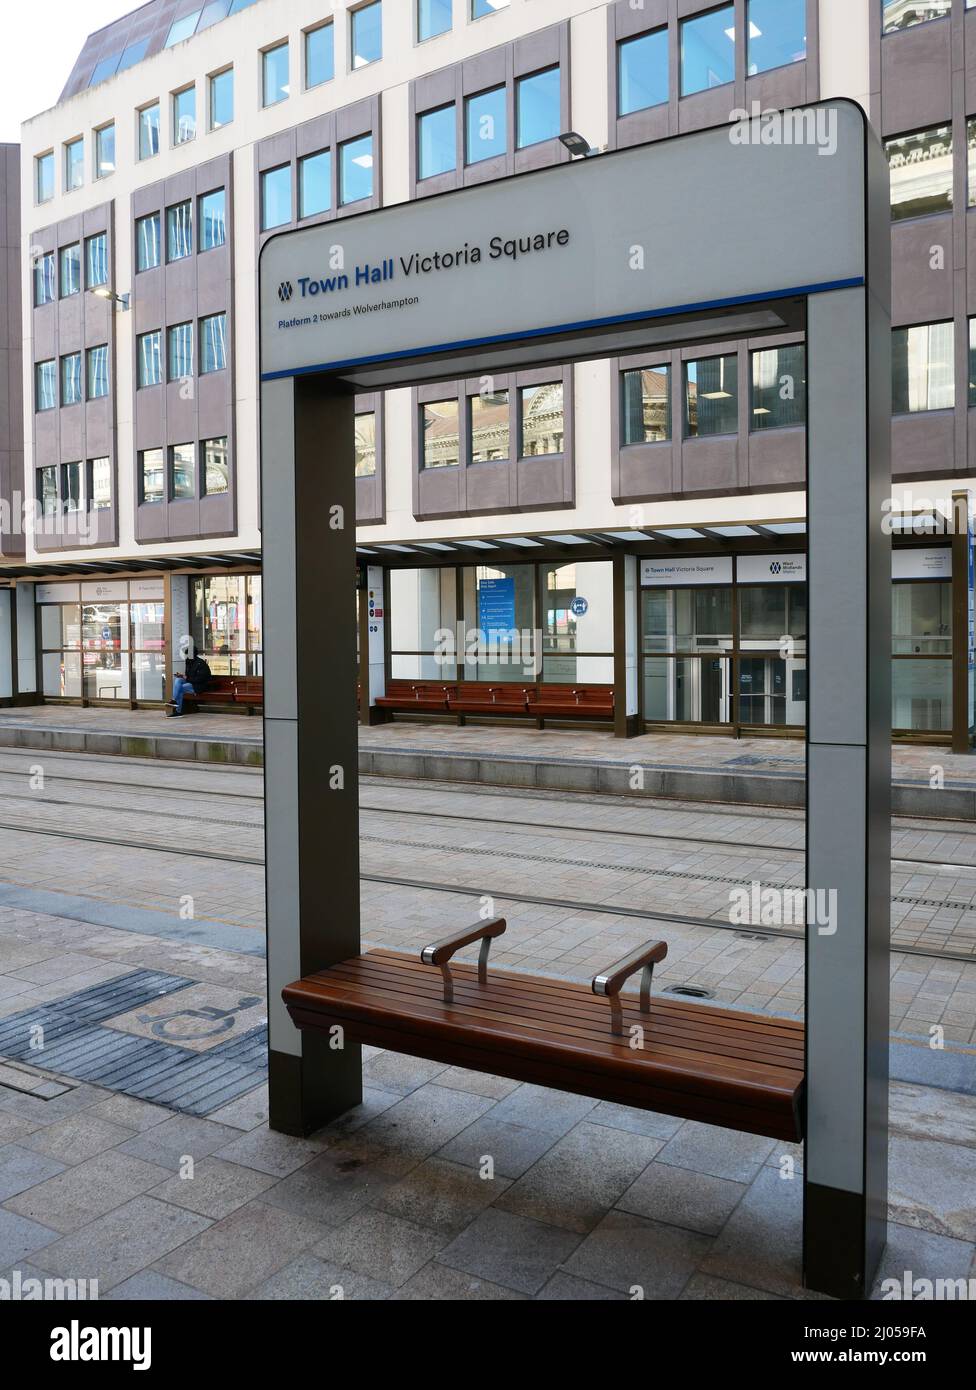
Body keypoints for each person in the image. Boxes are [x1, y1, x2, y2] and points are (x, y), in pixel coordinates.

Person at [168, 636, 212, 716]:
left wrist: (187, 678)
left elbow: (200, 679)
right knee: (178, 680)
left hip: (198, 685)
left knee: (180, 689)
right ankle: (174, 700)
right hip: (191, 682)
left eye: (187, 655)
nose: (186, 656)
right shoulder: (188, 662)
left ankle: (178, 711)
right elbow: (188, 676)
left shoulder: (201, 664)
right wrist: (182, 676)